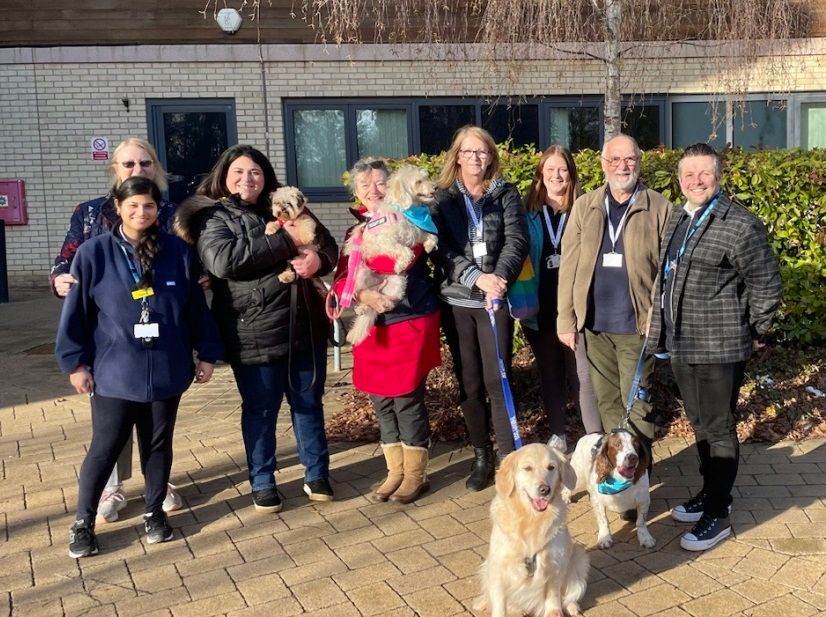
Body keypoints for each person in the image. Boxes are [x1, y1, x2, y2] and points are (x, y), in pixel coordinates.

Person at [55, 176, 223, 558]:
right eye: (132, 205)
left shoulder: (178, 252)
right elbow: (76, 316)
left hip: (167, 369)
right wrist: (75, 363)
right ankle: (83, 521)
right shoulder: (93, 253)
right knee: (105, 447)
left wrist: (208, 354)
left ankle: (153, 512)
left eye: (148, 206)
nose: (141, 212)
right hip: (115, 374)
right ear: (117, 206)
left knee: (158, 446)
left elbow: (195, 309)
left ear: (157, 209)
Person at [175, 144, 338, 513]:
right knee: (261, 409)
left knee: (308, 404)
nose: (248, 179)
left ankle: (317, 473)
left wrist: (318, 260)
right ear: (224, 176)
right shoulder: (212, 215)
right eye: (239, 172)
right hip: (254, 328)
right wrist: (286, 241)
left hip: (305, 325)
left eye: (256, 172)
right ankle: (263, 480)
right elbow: (224, 261)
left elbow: (329, 247)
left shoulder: (286, 203)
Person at [648, 144, 782, 551]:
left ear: (718, 176)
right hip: (683, 344)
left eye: (703, 173)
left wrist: (757, 328)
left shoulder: (739, 223)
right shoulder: (678, 216)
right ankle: (710, 492)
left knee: (719, 428)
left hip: (721, 346)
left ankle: (718, 513)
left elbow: (766, 281)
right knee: (701, 424)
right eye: (688, 175)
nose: (695, 181)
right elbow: (668, 278)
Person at [49, 137, 183, 524]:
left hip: (158, 331)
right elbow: (67, 259)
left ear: (154, 167)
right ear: (115, 169)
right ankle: (112, 486)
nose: (137, 170)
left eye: (144, 163)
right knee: (112, 423)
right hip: (108, 335)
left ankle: (157, 485)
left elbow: (188, 262)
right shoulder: (91, 213)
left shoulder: (170, 212)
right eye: (128, 164)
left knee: (155, 421)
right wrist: (60, 278)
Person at [332, 158, 441, 504]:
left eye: (379, 183)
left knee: (407, 399)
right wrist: (362, 293)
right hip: (373, 324)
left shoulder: (410, 218)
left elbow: (400, 259)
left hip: (410, 318)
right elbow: (340, 278)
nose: (373, 190)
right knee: (381, 400)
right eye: (364, 185)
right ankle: (394, 470)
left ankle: (414, 475)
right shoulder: (356, 231)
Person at [557, 134, 671, 455]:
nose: (623, 166)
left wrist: (657, 318)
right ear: (604, 164)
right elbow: (568, 267)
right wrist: (566, 319)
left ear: (639, 161)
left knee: (636, 401)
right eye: (615, 160)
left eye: (630, 159)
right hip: (594, 326)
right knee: (606, 400)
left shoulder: (660, 207)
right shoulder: (585, 206)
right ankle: (616, 469)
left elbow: (669, 272)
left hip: (637, 327)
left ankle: (640, 471)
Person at [430, 126, 529, 491]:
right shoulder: (441, 199)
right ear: (457, 156)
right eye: (468, 152)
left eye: (482, 152)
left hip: (495, 301)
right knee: (470, 383)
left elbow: (518, 240)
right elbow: (439, 248)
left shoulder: (505, 193)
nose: (476, 158)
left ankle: (509, 460)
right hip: (458, 302)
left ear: (491, 156)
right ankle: (482, 456)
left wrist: (498, 279)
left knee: (498, 379)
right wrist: (476, 277)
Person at [519, 146, 602, 450]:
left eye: (562, 169)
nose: (556, 176)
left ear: (572, 174)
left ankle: (594, 437)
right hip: (538, 309)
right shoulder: (526, 212)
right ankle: (558, 434)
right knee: (550, 374)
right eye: (550, 169)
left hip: (576, 309)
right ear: (540, 174)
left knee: (582, 376)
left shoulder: (586, 209)